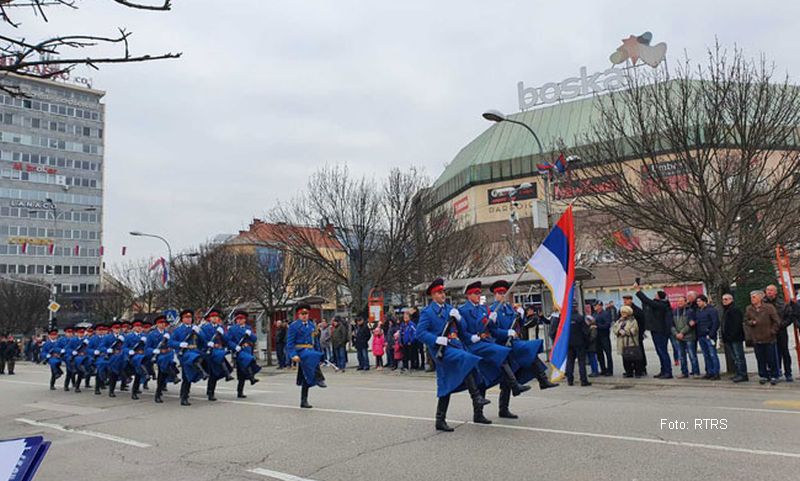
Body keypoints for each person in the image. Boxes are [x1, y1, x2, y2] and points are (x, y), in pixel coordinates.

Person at [415, 278, 488, 432]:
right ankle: (475, 397)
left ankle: (443, 419)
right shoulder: (428, 312)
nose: (442, 294)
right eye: (439, 292)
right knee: (466, 360)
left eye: (443, 292)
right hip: (441, 350)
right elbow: (420, 333)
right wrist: (436, 339)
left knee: (462, 373)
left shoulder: (450, 309)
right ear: (432, 295)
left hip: (455, 346)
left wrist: (459, 318)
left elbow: (462, 329)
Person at [458, 280, 529, 424]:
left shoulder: (484, 309)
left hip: (487, 345)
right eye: (475, 293)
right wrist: (472, 337)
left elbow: (489, 327)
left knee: (494, 373)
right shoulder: (463, 310)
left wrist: (491, 321)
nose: (478, 296)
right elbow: (462, 331)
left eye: (479, 293)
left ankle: (505, 404)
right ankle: (478, 413)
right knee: (481, 380)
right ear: (468, 295)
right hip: (474, 347)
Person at [489, 280, 556, 419]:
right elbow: (492, 331)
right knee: (526, 352)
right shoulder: (493, 310)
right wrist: (505, 332)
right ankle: (541, 380)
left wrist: (521, 315)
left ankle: (542, 380)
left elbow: (521, 324)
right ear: (495, 295)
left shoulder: (509, 309)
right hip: (501, 345)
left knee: (528, 353)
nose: (503, 295)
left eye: (504, 293)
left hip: (513, 343)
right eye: (500, 293)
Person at [287, 303, 327, 408]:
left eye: (306, 314)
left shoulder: (311, 325)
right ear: (298, 315)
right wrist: (293, 355)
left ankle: (303, 401)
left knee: (306, 376)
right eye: (302, 314)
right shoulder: (294, 326)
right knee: (311, 356)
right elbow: (290, 343)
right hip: (300, 351)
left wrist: (319, 354)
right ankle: (319, 378)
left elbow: (315, 341)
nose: (304, 316)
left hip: (310, 350)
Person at [169, 309, 208, 406]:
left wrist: (199, 332)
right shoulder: (178, 330)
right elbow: (171, 342)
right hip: (184, 354)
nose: (189, 319)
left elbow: (204, 342)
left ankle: (185, 394)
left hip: (195, 352)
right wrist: (180, 344)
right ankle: (184, 397)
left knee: (189, 374)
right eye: (186, 317)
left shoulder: (195, 329)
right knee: (186, 376)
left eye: (190, 317)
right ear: (182, 319)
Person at [635, 287, 673, 379]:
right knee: (659, 352)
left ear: (659, 297)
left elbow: (647, 301)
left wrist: (638, 290)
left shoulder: (662, 305)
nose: (654, 296)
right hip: (655, 330)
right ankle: (663, 370)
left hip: (661, 331)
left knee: (663, 352)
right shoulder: (659, 304)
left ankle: (668, 372)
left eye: (656, 295)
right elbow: (647, 303)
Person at [745, 290, 780, 385]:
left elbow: (776, 321)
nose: (752, 299)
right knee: (760, 359)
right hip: (756, 338)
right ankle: (763, 375)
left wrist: (772, 331)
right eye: (751, 297)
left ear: (760, 298)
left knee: (771, 358)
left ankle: (774, 375)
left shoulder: (769, 307)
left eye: (754, 297)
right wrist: (751, 322)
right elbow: (746, 320)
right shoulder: (749, 309)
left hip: (769, 337)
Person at [200, 309, 234, 402]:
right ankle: (211, 392)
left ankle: (211, 391)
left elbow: (227, 340)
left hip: (219, 351)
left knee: (215, 374)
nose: (215, 318)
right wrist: (207, 343)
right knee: (213, 373)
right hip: (210, 352)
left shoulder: (221, 328)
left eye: (216, 317)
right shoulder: (205, 328)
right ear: (210, 318)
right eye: (213, 317)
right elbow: (202, 339)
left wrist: (223, 333)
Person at [763, 285, 795, 382]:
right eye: (767, 290)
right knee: (771, 353)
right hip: (768, 331)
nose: (769, 292)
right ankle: (775, 372)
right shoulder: (763, 303)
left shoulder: (782, 303)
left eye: (771, 290)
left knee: (784, 352)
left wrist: (782, 325)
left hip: (781, 331)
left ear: (775, 292)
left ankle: (788, 373)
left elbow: (789, 316)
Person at [227, 310, 261, 398]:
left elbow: (254, 339)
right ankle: (251, 378)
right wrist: (235, 346)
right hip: (239, 351)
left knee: (243, 371)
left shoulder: (248, 328)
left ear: (245, 320)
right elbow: (229, 340)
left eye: (241, 319)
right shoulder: (232, 329)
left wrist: (250, 334)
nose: (239, 320)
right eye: (238, 319)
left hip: (247, 350)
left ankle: (240, 391)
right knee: (247, 362)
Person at [148, 315, 177, 403]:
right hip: (158, 356)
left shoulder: (168, 334)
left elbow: (172, 344)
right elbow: (147, 348)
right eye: (161, 323)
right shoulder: (152, 334)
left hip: (167, 355)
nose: (163, 324)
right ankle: (158, 393)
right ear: (157, 324)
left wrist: (171, 347)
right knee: (161, 374)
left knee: (163, 374)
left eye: (164, 323)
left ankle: (171, 376)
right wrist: (154, 350)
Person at [721, 293, 748, 382]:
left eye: (726, 299)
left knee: (739, 357)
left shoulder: (735, 310)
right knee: (735, 358)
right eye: (723, 299)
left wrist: (731, 335)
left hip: (735, 338)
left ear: (731, 300)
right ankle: (738, 373)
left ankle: (743, 374)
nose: (724, 301)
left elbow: (737, 325)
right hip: (728, 338)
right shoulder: (726, 310)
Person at [693, 295, 721, 380]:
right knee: (706, 355)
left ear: (704, 301)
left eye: (699, 301)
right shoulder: (698, 311)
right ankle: (709, 372)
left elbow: (715, 322)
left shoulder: (711, 310)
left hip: (709, 335)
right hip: (701, 335)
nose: (698, 303)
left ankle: (716, 373)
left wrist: (711, 334)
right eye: (697, 301)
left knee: (712, 354)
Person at [671, 295, 699, 378]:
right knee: (681, 356)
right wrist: (676, 334)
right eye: (678, 301)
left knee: (692, 355)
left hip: (689, 337)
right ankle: (684, 372)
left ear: (686, 302)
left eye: (682, 301)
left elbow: (691, 324)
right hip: (678, 337)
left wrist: (682, 333)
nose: (680, 302)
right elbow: (671, 324)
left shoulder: (690, 311)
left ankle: (696, 372)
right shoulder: (674, 311)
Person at [565, 304, 591, 386]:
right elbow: (585, 331)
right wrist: (587, 341)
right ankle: (583, 380)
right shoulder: (580, 317)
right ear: (576, 307)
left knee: (570, 361)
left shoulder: (566, 318)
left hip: (569, 343)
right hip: (579, 343)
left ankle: (570, 380)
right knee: (581, 362)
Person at [614, 306, 643, 378]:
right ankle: (628, 372)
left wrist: (626, 332)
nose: (623, 314)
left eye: (624, 312)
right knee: (625, 358)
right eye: (622, 312)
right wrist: (618, 331)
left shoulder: (633, 321)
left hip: (631, 342)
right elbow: (615, 328)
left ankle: (638, 372)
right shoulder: (619, 321)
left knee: (634, 358)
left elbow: (634, 330)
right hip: (622, 343)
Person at [622, 294, 647, 374]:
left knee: (638, 352)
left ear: (631, 300)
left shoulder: (637, 310)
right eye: (624, 300)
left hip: (636, 335)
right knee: (627, 352)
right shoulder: (622, 310)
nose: (625, 302)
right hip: (625, 337)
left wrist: (640, 333)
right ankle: (629, 369)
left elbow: (642, 323)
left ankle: (641, 368)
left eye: (626, 300)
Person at [594, 301, 613, 376]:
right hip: (597, 337)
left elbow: (607, 325)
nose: (595, 307)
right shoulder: (595, 314)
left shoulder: (606, 314)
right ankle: (603, 369)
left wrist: (597, 326)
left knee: (608, 354)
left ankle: (610, 370)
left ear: (600, 306)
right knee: (599, 354)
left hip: (604, 336)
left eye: (596, 305)